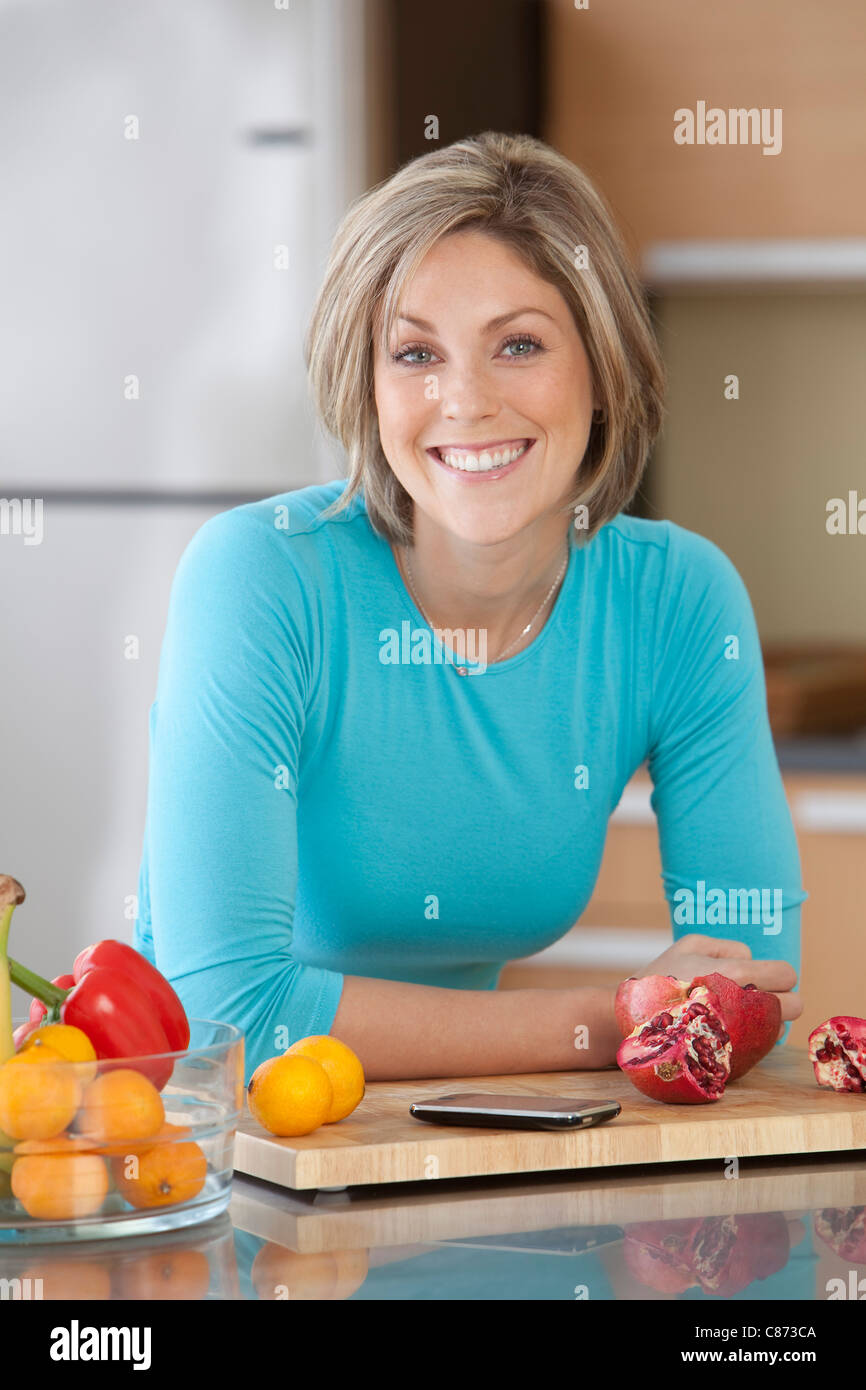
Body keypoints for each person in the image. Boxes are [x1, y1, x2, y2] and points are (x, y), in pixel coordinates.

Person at [134, 132, 804, 1085]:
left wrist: (673, 1014)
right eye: (415, 353)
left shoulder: (679, 603)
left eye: (519, 344)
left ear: (601, 367)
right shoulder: (259, 578)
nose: (465, 400)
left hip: (455, 1134)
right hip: (226, 1154)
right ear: (368, 386)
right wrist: (615, 1018)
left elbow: (752, 984)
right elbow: (227, 1014)